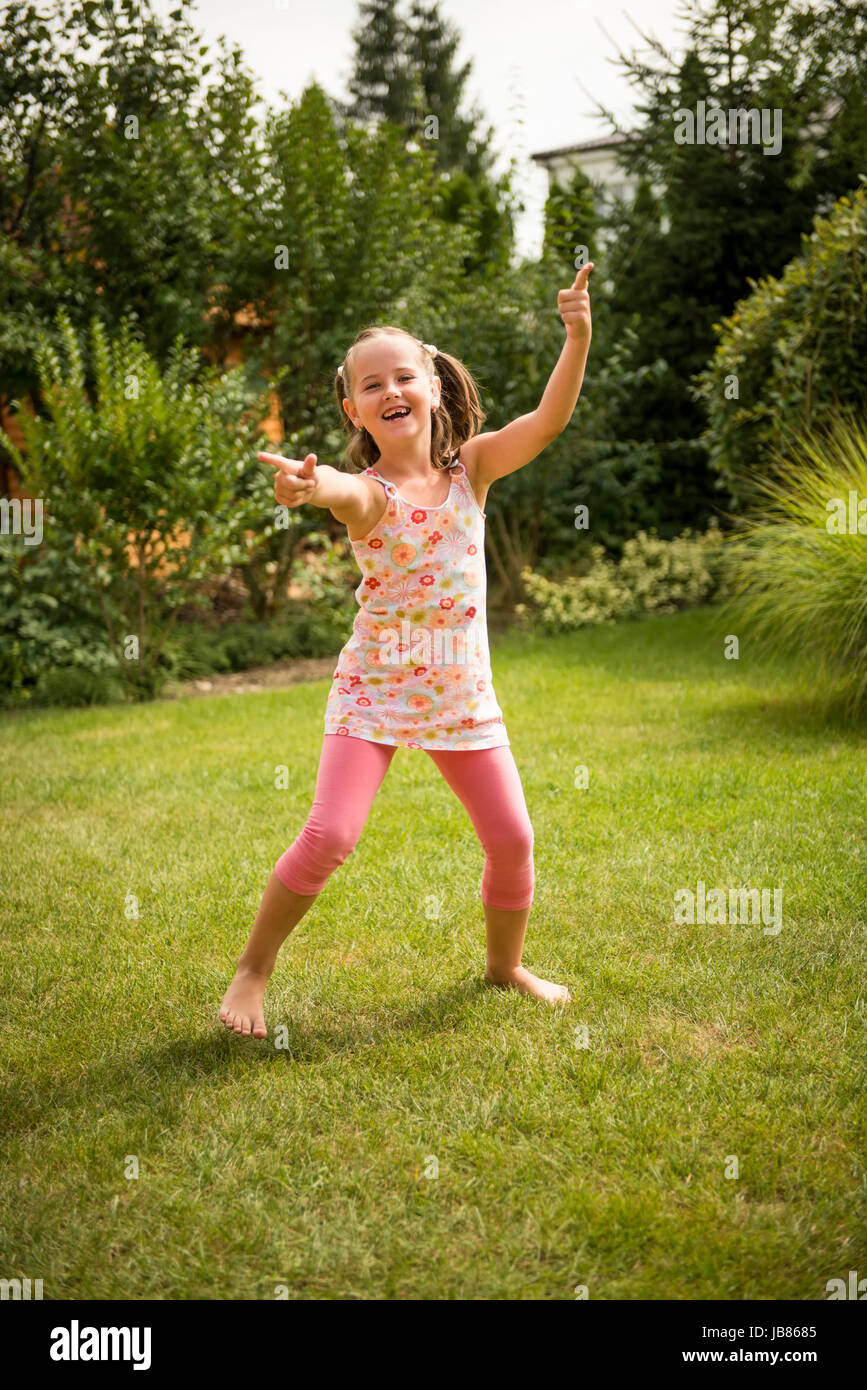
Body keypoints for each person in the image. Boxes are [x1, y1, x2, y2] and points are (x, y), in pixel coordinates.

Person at [219, 262, 594, 1037]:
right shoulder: (368, 495)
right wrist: (305, 488)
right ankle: (252, 970)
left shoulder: (473, 472)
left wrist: (577, 333)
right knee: (331, 835)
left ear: (432, 386)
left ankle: (503, 966)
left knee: (513, 839)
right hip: (375, 692)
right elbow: (338, 495)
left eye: (403, 377)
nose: (390, 392)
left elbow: (547, 421)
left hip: (460, 695)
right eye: (371, 385)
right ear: (353, 408)